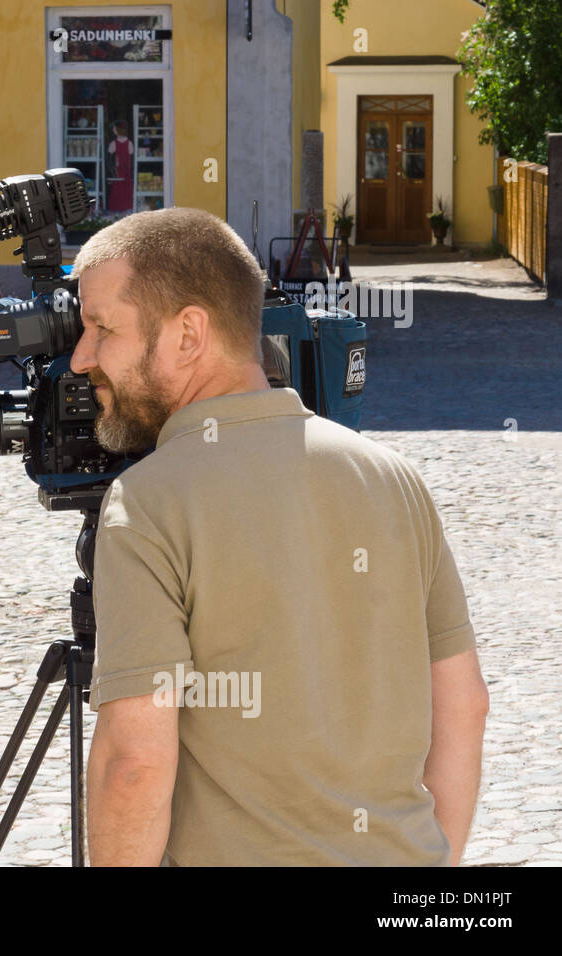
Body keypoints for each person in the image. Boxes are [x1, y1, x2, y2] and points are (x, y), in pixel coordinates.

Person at [69, 207, 488, 866]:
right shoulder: (394, 476)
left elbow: (134, 766)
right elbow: (463, 705)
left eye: (101, 327)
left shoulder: (150, 504)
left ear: (187, 334)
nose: (80, 357)